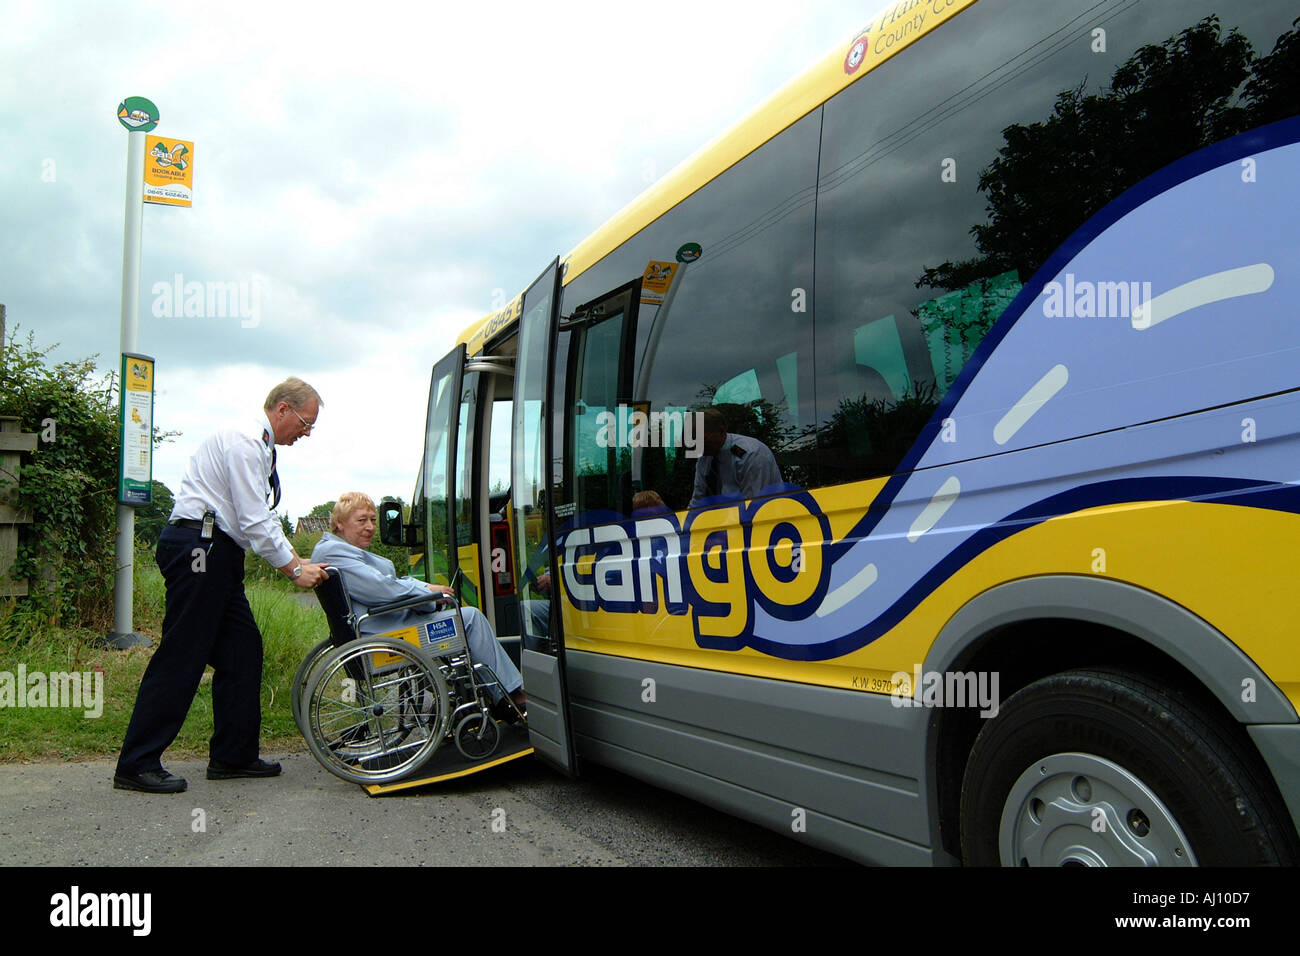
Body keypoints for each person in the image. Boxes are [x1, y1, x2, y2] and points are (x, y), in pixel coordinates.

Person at [115, 377, 328, 794]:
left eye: (311, 427)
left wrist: (295, 557)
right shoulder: (245, 443)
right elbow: (253, 518)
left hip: (217, 550)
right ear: (282, 409)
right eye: (305, 423)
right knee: (183, 654)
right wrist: (293, 570)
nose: (306, 433)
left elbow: (259, 522)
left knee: (242, 649)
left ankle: (234, 755)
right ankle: (137, 762)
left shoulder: (258, 446)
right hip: (200, 547)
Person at [310, 492, 526, 717]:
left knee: (458, 616)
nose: (371, 527)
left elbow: (382, 585)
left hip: (378, 628)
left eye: (373, 520)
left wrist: (424, 590)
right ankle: (509, 696)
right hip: (382, 636)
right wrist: (428, 594)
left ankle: (491, 693)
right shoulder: (335, 552)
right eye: (362, 520)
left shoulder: (335, 550)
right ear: (340, 523)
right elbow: (383, 590)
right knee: (470, 619)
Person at [688, 406, 783, 508]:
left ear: (721, 431)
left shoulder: (751, 454)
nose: (697, 446)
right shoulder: (706, 457)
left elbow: (754, 506)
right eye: (693, 440)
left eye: (702, 439)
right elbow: (698, 501)